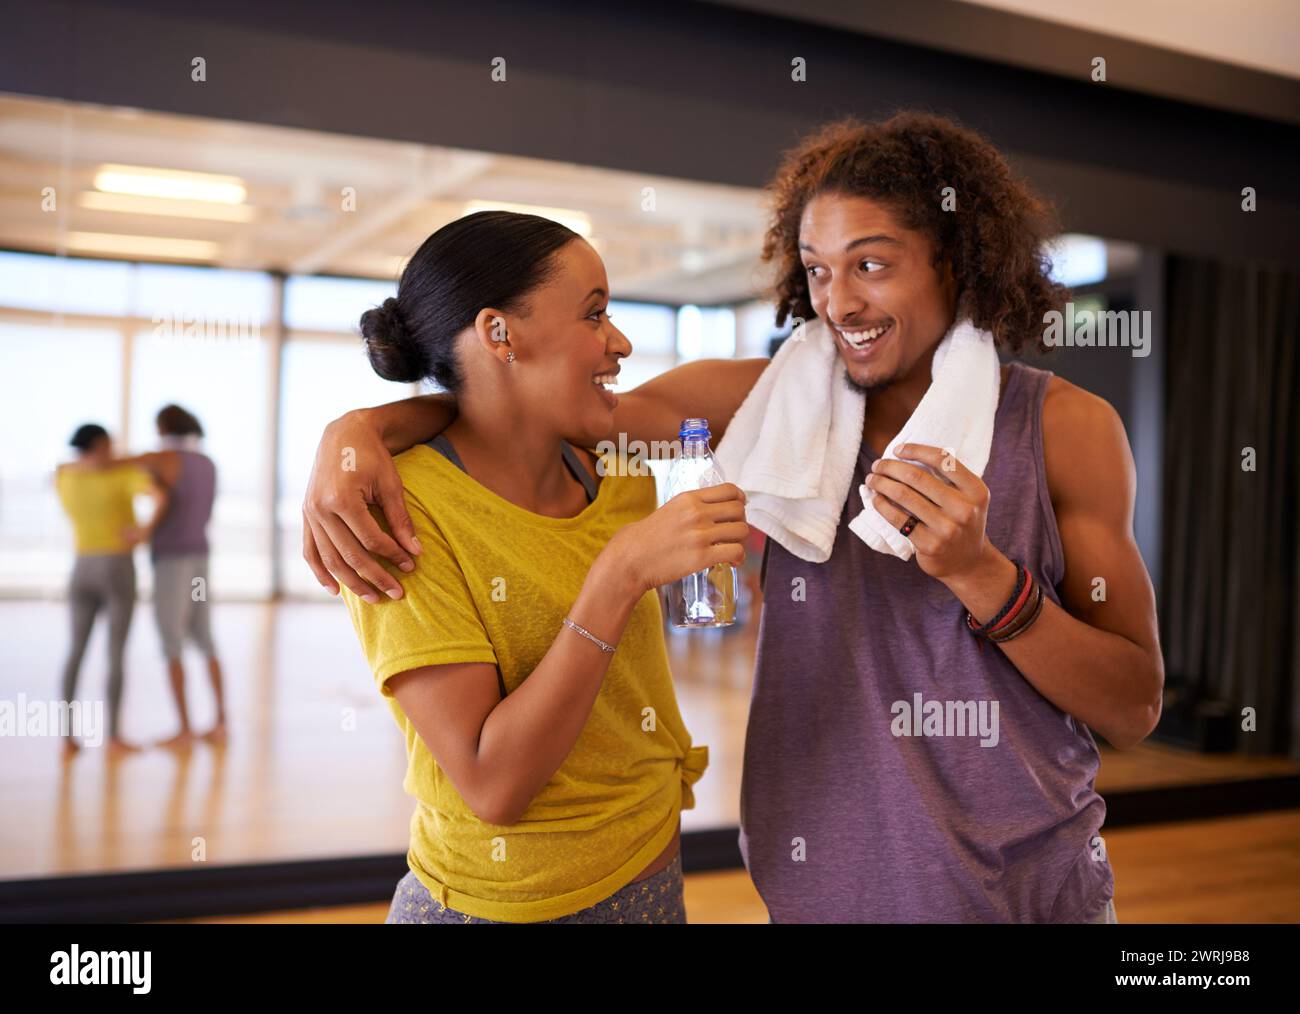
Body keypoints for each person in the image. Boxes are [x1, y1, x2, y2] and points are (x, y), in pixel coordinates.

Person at [302, 113, 1164, 923]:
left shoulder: (1064, 431)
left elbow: (1133, 707)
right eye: (818, 270)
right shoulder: (769, 406)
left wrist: (984, 575)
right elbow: (544, 413)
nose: (840, 302)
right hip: (821, 889)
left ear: (954, 261)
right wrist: (358, 433)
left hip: (1028, 893)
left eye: (871, 264)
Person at [320, 210, 747, 923]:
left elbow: (774, 388)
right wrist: (618, 576)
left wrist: (363, 422)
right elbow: (493, 784)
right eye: (594, 314)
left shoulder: (607, 456)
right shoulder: (403, 511)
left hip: (652, 878)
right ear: (499, 333)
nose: (620, 342)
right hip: (503, 906)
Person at [55, 423, 168, 758]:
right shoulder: (122, 475)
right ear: (101, 444)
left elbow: (62, 469)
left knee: (75, 651)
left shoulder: (67, 477)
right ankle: (114, 736)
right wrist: (145, 531)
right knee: (115, 653)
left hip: (81, 568)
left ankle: (67, 736)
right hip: (116, 567)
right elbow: (160, 496)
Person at [117, 405, 225, 748]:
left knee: (171, 640)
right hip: (200, 560)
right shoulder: (208, 463)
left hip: (172, 562)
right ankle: (221, 722)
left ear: (163, 427)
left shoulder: (164, 458)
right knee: (204, 637)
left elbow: (114, 463)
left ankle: (184, 728)